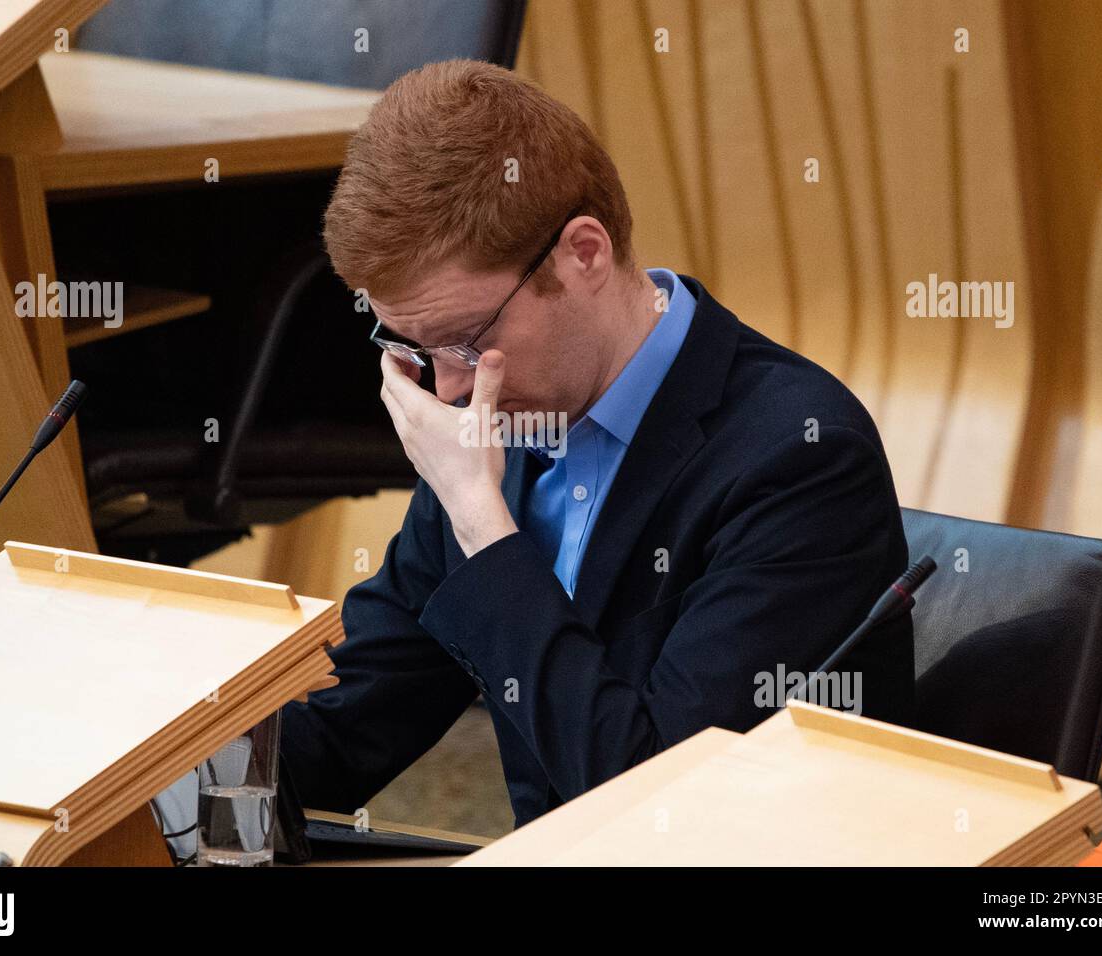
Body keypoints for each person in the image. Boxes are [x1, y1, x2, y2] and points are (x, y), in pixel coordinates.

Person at [281, 59, 913, 827]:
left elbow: (655, 807)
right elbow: (345, 731)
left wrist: (485, 527)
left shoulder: (801, 459)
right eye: (412, 348)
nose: (447, 391)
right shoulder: (503, 418)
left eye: (467, 340)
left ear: (584, 253)